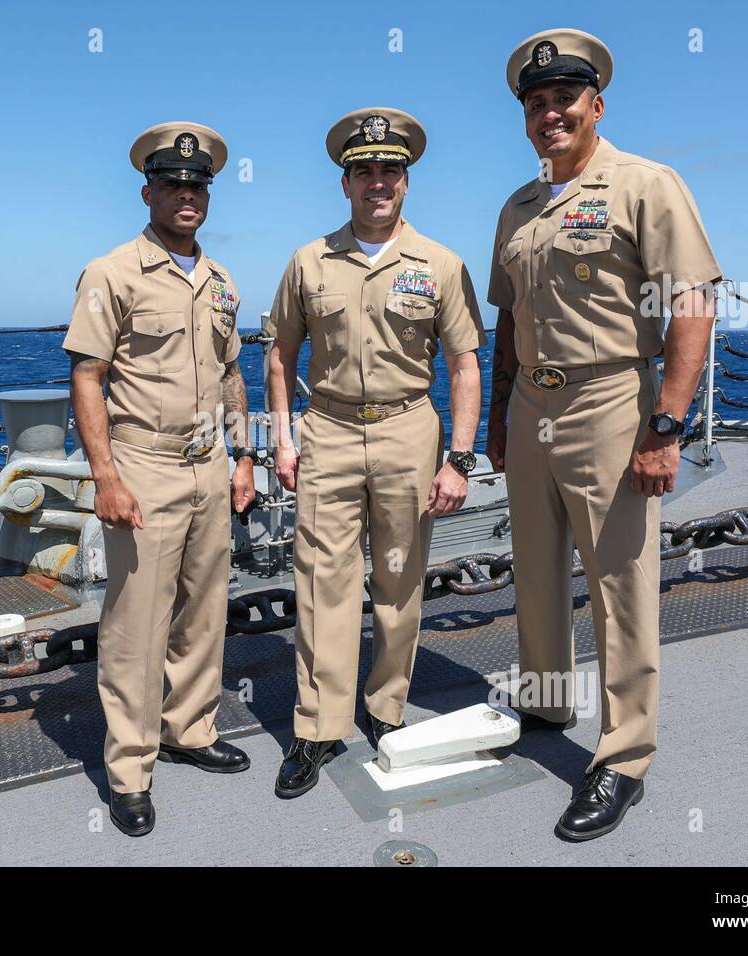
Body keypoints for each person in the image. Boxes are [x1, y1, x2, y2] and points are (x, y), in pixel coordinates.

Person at [486, 29, 721, 840]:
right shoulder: (517, 208)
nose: (551, 112)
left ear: (596, 105)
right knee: (537, 571)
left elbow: (691, 304)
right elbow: (509, 324)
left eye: (564, 99)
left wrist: (666, 427)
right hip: (531, 413)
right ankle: (547, 706)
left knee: (620, 581)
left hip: (612, 401)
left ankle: (623, 756)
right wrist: (497, 415)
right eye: (537, 102)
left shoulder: (645, 184)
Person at [266, 107, 487, 799]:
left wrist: (459, 457)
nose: (378, 183)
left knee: (399, 581)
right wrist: (280, 434)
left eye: (390, 171)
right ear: (345, 183)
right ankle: (318, 726)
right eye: (365, 172)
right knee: (321, 584)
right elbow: (280, 352)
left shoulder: (441, 264)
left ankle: (385, 709)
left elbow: (465, 365)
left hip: (408, 431)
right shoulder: (308, 261)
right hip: (326, 430)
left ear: (406, 182)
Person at [64, 122, 256, 836]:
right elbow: (87, 374)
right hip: (142, 463)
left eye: (197, 185)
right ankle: (129, 768)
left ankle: (190, 730)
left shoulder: (222, 279)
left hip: (211, 463)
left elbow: (234, 372)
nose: (186, 195)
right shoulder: (112, 272)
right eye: (172, 183)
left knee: (204, 612)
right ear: (147, 191)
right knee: (136, 625)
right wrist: (105, 477)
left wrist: (243, 457)